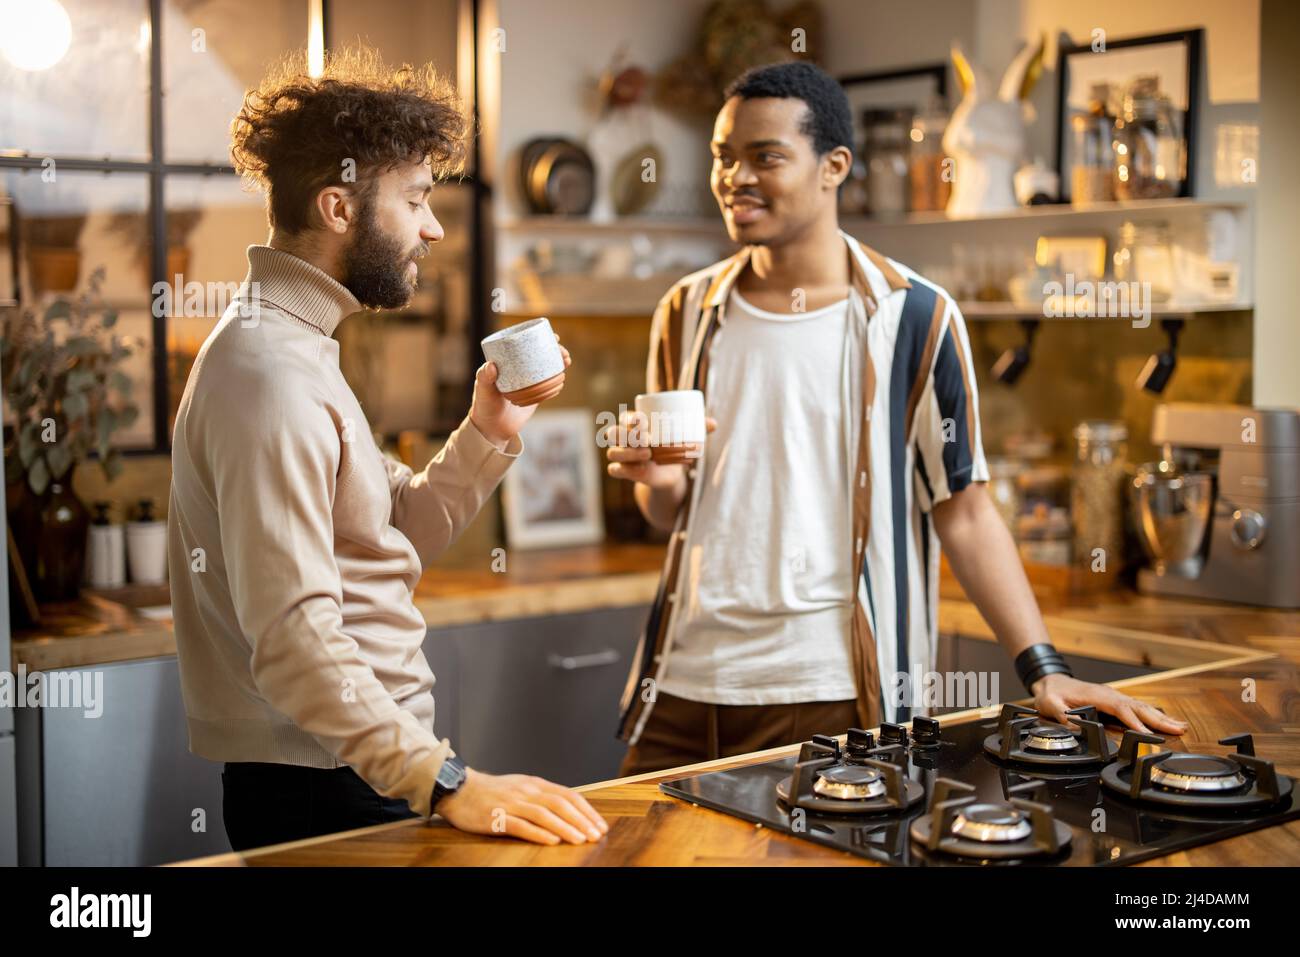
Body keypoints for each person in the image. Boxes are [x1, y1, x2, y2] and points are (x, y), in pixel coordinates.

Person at [603, 61, 1187, 776]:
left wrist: (1044, 669)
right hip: (684, 684)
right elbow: (668, 511)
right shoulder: (686, 311)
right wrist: (657, 480)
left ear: (834, 167)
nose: (735, 177)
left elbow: (964, 509)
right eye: (725, 157)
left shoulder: (915, 317)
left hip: (830, 691)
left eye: (766, 156)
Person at [169, 47, 606, 850]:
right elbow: (296, 637)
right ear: (339, 208)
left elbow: (386, 536)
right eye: (414, 200)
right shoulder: (268, 374)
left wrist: (487, 432)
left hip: (364, 765)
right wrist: (446, 781)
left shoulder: (300, 347)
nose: (433, 227)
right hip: (326, 779)